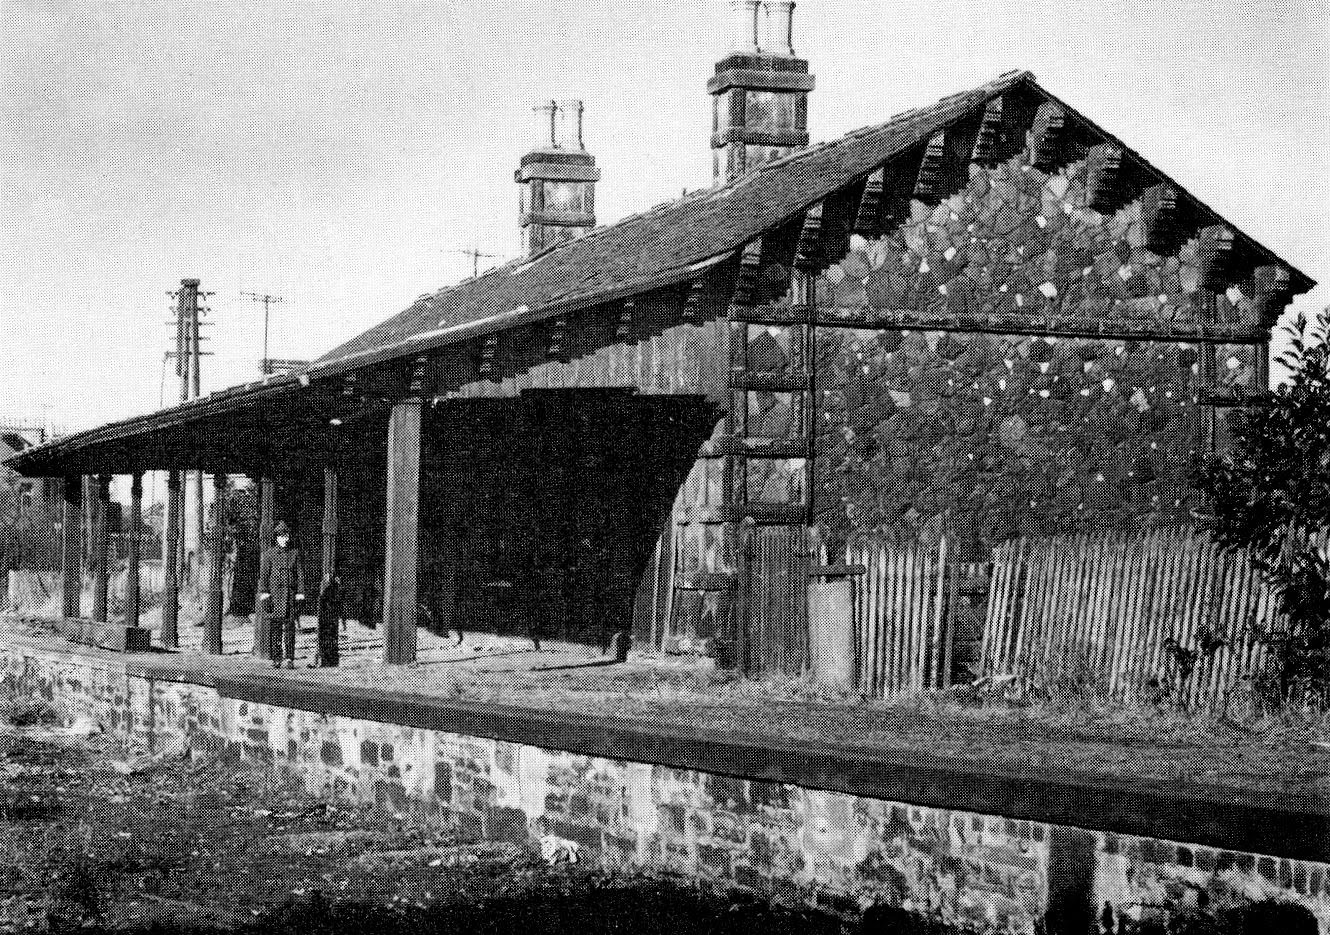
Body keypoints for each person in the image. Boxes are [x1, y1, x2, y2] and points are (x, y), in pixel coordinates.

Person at [258, 520, 306, 668]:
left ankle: (289, 658)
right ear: (276, 538)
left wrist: (300, 593)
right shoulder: (269, 555)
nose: (283, 539)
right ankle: (277, 658)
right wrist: (265, 595)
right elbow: (264, 577)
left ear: (288, 537)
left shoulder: (294, 554)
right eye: (280, 536)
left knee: (290, 629)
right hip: (275, 597)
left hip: (290, 597)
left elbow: (300, 575)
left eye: (285, 536)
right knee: (276, 629)